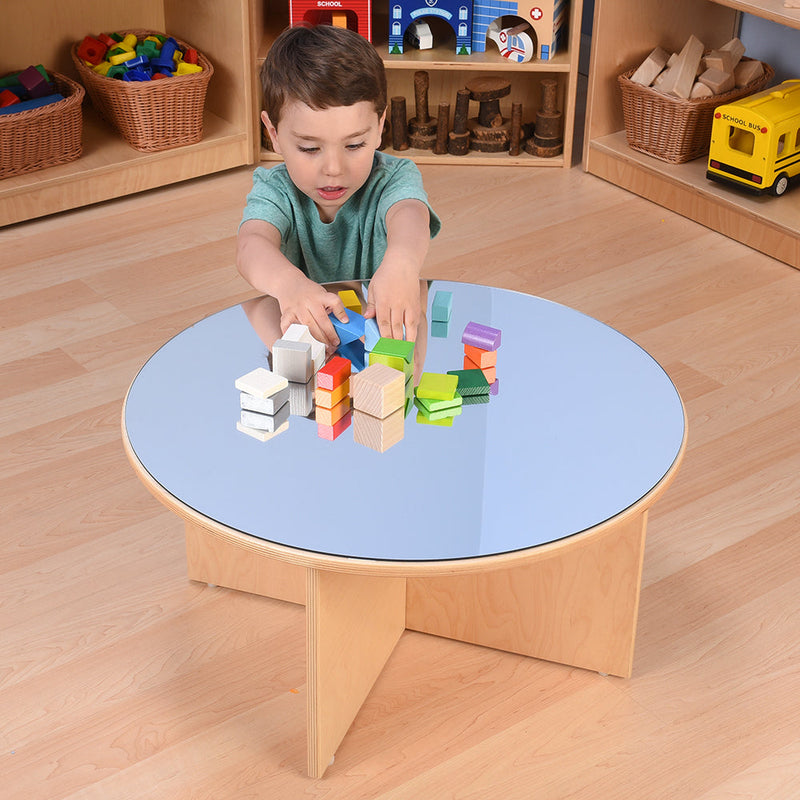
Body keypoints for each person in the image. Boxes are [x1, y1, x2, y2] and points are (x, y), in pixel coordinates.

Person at [237, 23, 441, 357]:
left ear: (379, 127)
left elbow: (410, 215)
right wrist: (289, 285)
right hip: (303, 330)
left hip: (379, 328)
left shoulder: (393, 177)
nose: (334, 169)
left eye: (355, 144)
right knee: (263, 318)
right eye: (309, 148)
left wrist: (402, 264)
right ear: (273, 134)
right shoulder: (276, 189)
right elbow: (251, 245)